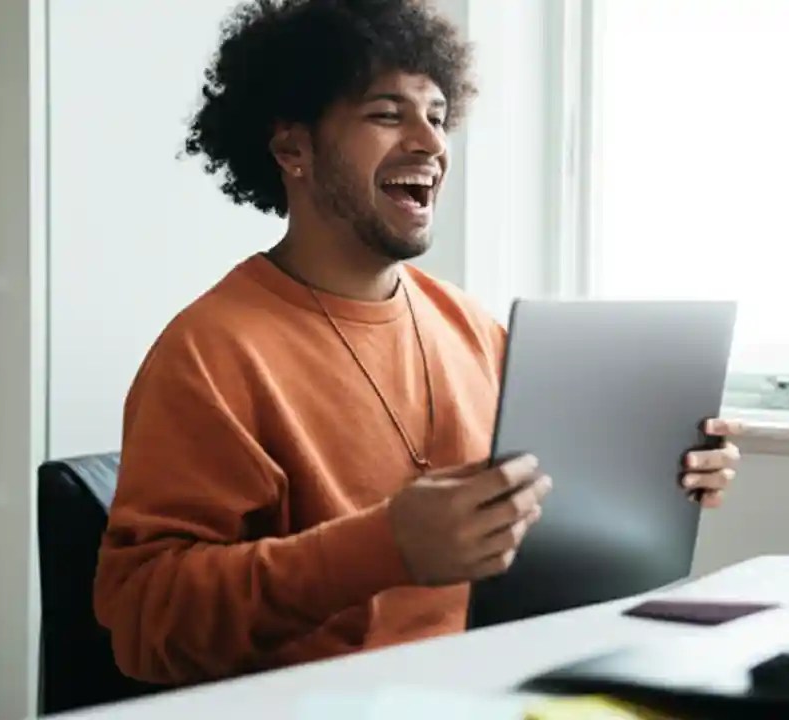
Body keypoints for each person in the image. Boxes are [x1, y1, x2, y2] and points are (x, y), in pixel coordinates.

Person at [93, 0, 744, 687]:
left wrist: (652, 480)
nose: (430, 143)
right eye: (386, 113)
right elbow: (145, 625)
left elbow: (536, 524)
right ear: (293, 149)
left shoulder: (468, 324)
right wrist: (383, 547)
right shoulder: (209, 353)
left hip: (498, 682)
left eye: (437, 116)